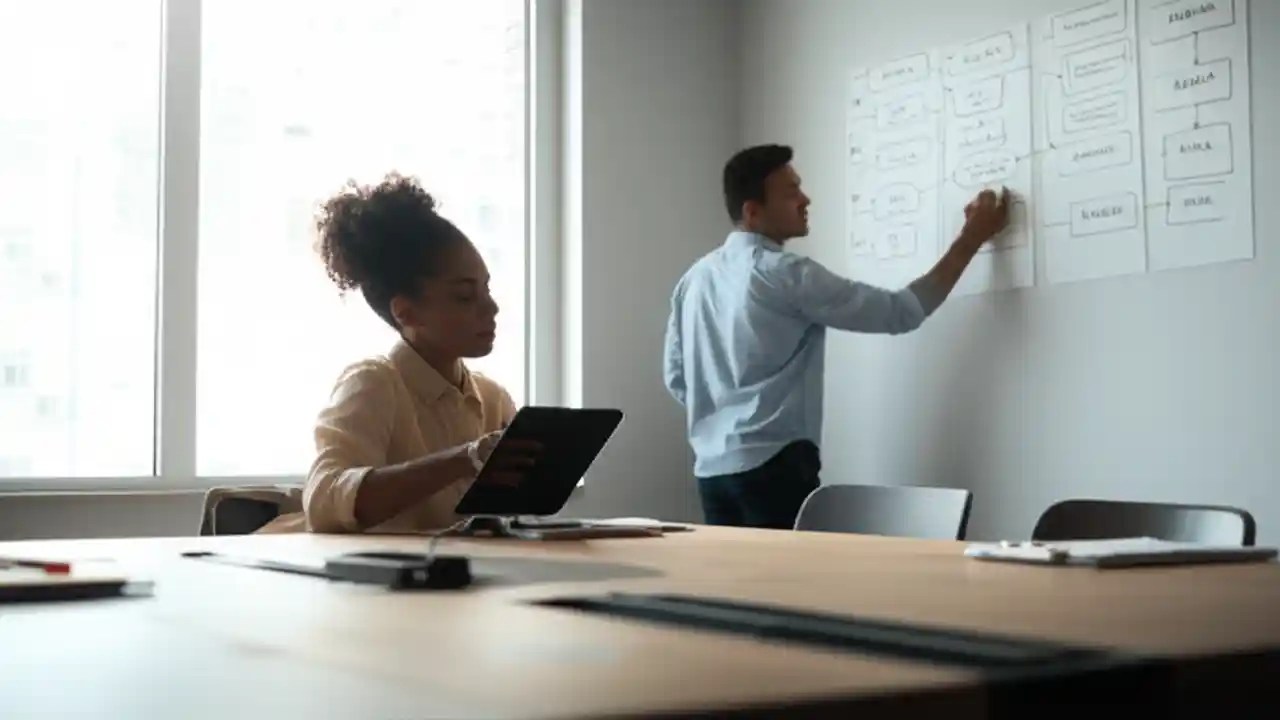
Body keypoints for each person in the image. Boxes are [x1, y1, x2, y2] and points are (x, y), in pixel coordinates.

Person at [662, 144, 1010, 529]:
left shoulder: (693, 280)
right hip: (774, 467)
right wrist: (971, 237)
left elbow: (677, 379)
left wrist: (724, 413)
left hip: (712, 474)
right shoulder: (785, 274)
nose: (805, 199)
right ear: (752, 211)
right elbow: (900, 311)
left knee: (732, 587)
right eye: (790, 192)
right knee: (788, 588)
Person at [260, 172, 538, 534]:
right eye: (465, 297)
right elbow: (326, 502)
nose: (492, 308)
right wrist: (462, 459)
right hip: (322, 577)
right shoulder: (373, 384)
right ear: (406, 312)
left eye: (486, 290)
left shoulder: (493, 399)